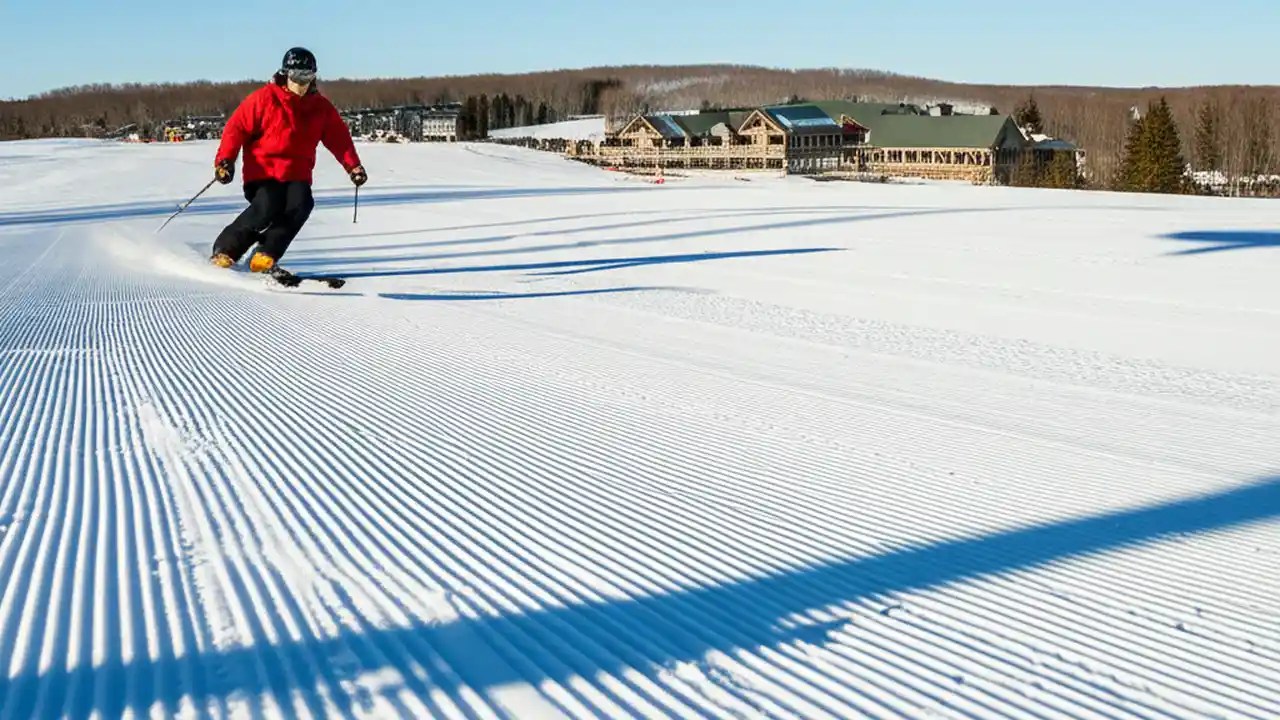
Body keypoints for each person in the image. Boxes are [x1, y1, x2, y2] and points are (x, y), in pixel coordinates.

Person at [209, 47, 367, 274]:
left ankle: (266, 253)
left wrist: (353, 166)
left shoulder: (320, 107)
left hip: (297, 173)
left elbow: (338, 138)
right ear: (285, 74)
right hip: (263, 171)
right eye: (296, 77)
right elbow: (236, 129)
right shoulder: (263, 99)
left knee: (301, 204)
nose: (300, 83)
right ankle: (226, 250)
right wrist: (225, 161)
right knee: (267, 205)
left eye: (307, 77)